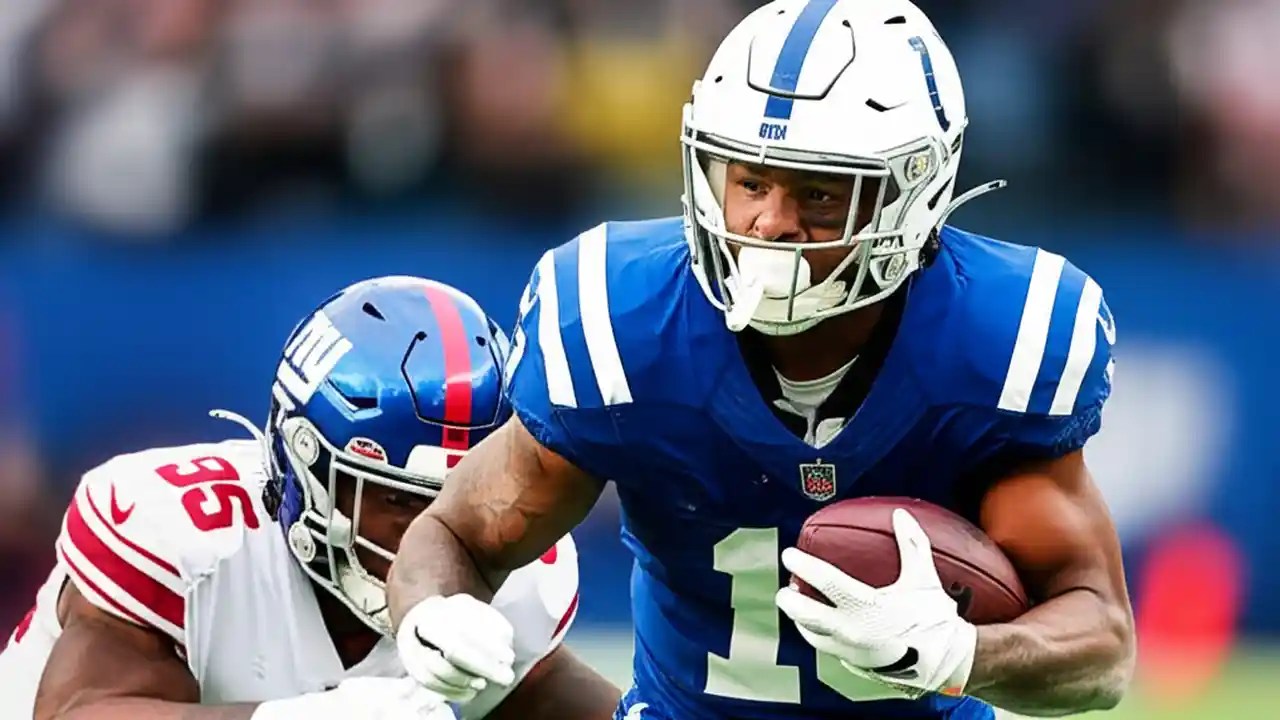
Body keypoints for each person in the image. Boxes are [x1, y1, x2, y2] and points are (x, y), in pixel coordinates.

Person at [386, 1, 1137, 718]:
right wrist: (432, 612)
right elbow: (456, 534)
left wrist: (960, 651)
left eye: (819, 194)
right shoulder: (627, 320)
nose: (769, 223)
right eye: (749, 182)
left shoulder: (993, 339)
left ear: (913, 195)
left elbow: (1101, 645)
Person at [0, 276, 620, 720]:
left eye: (460, 498)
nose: (439, 531)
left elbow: (540, 691)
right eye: (398, 501)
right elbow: (77, 712)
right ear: (304, 468)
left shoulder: (514, 565)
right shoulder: (192, 541)